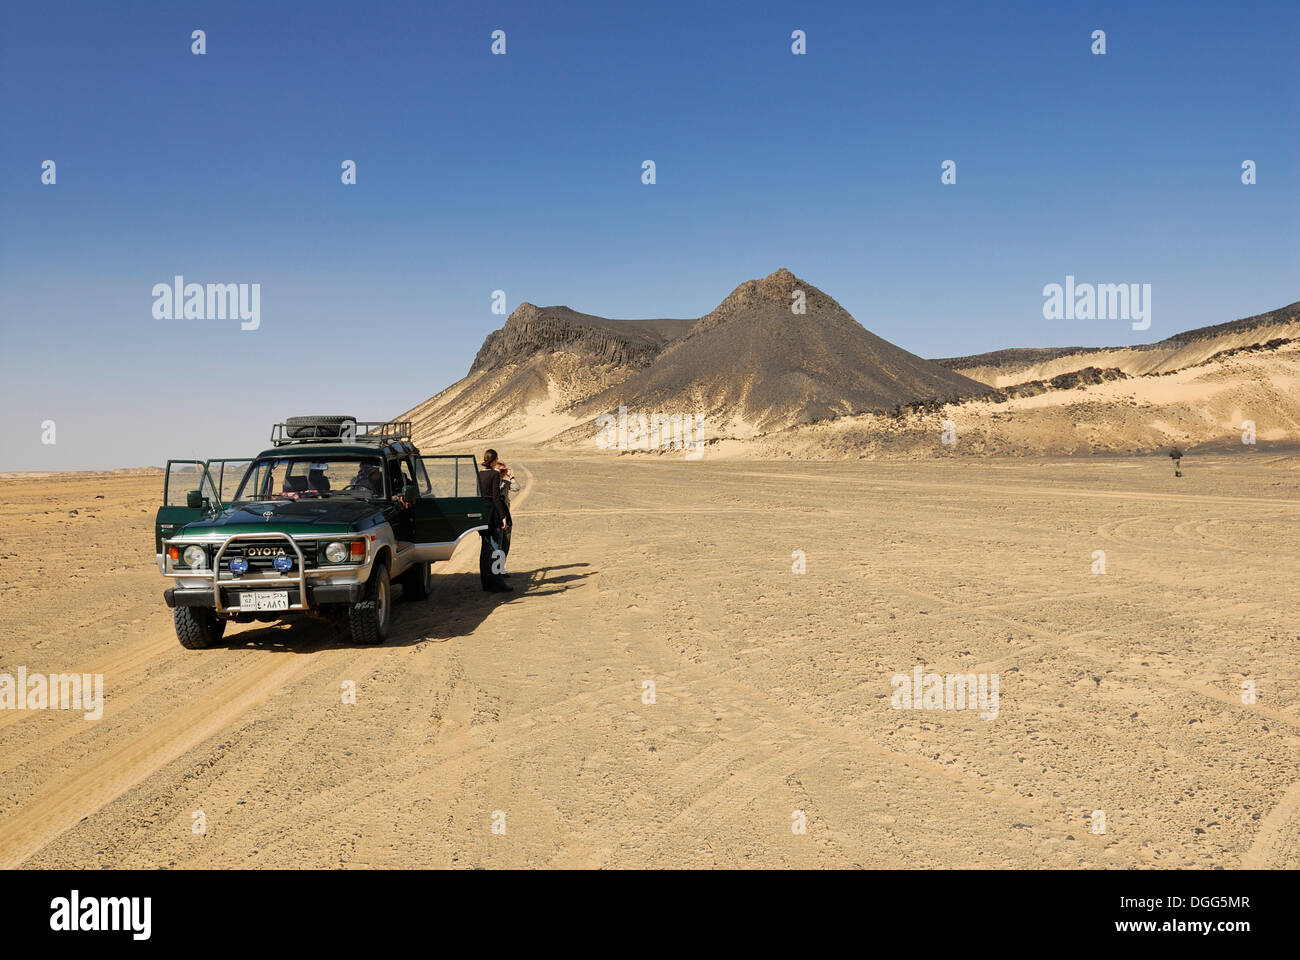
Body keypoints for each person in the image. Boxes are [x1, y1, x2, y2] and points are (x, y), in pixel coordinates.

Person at [477, 449, 513, 592]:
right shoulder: (494, 474)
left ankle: (486, 583)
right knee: (496, 549)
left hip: (482, 514)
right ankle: (498, 583)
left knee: (485, 550)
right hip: (493, 513)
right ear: (493, 460)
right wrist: (503, 516)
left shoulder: (479, 474)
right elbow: (496, 498)